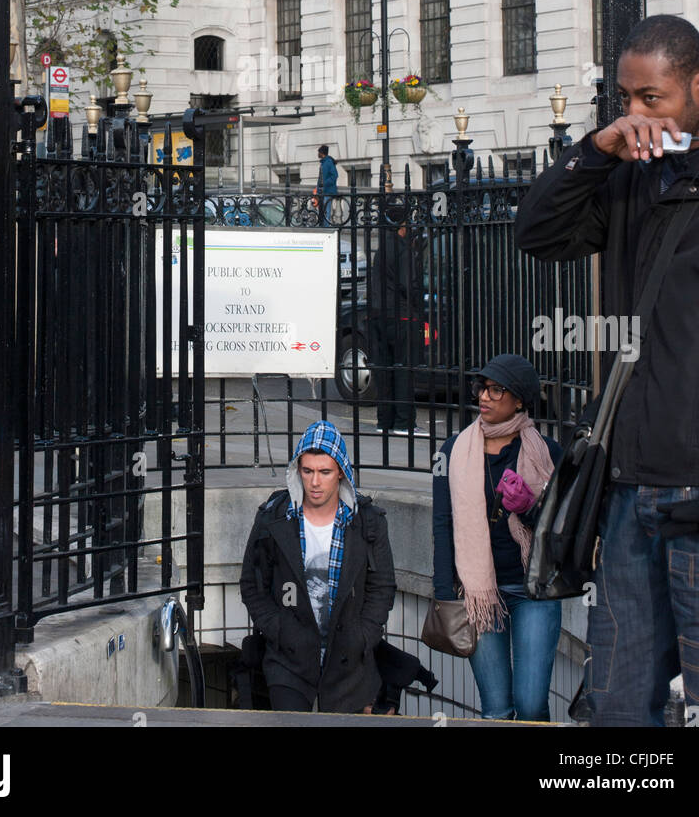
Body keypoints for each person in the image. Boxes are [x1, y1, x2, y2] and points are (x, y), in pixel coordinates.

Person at [514, 14, 699, 727]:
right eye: (623, 99)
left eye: (650, 99)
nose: (635, 114)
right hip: (630, 491)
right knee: (614, 708)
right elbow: (535, 234)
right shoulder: (634, 176)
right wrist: (593, 151)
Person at [432, 354, 562, 721]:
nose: (484, 397)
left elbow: (561, 529)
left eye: (496, 390)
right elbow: (443, 523)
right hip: (479, 594)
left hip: (533, 589)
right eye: (482, 388)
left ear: (519, 399)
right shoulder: (454, 451)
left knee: (531, 703)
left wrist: (528, 508)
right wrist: (445, 593)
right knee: (496, 710)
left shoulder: (546, 452)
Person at [239, 419, 395, 713]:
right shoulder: (274, 517)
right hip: (289, 659)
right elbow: (251, 584)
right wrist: (280, 630)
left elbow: (382, 586)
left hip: (349, 662)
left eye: (325, 472)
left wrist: (363, 635)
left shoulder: (368, 521)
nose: (314, 482)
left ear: (341, 474)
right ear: (297, 470)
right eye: (307, 471)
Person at [371, 206, 425, 435]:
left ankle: (385, 421)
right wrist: (418, 304)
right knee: (404, 368)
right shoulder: (402, 249)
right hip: (401, 315)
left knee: (385, 369)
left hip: (379, 314)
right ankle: (404, 423)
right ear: (403, 225)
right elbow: (409, 284)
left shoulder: (382, 247)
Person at [315, 144, 338, 224]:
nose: (317, 153)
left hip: (327, 191)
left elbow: (334, 175)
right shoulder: (324, 163)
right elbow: (321, 178)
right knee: (322, 211)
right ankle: (323, 227)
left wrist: (324, 184)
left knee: (326, 212)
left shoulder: (328, 162)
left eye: (319, 152)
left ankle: (326, 228)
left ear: (322, 153)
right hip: (322, 192)